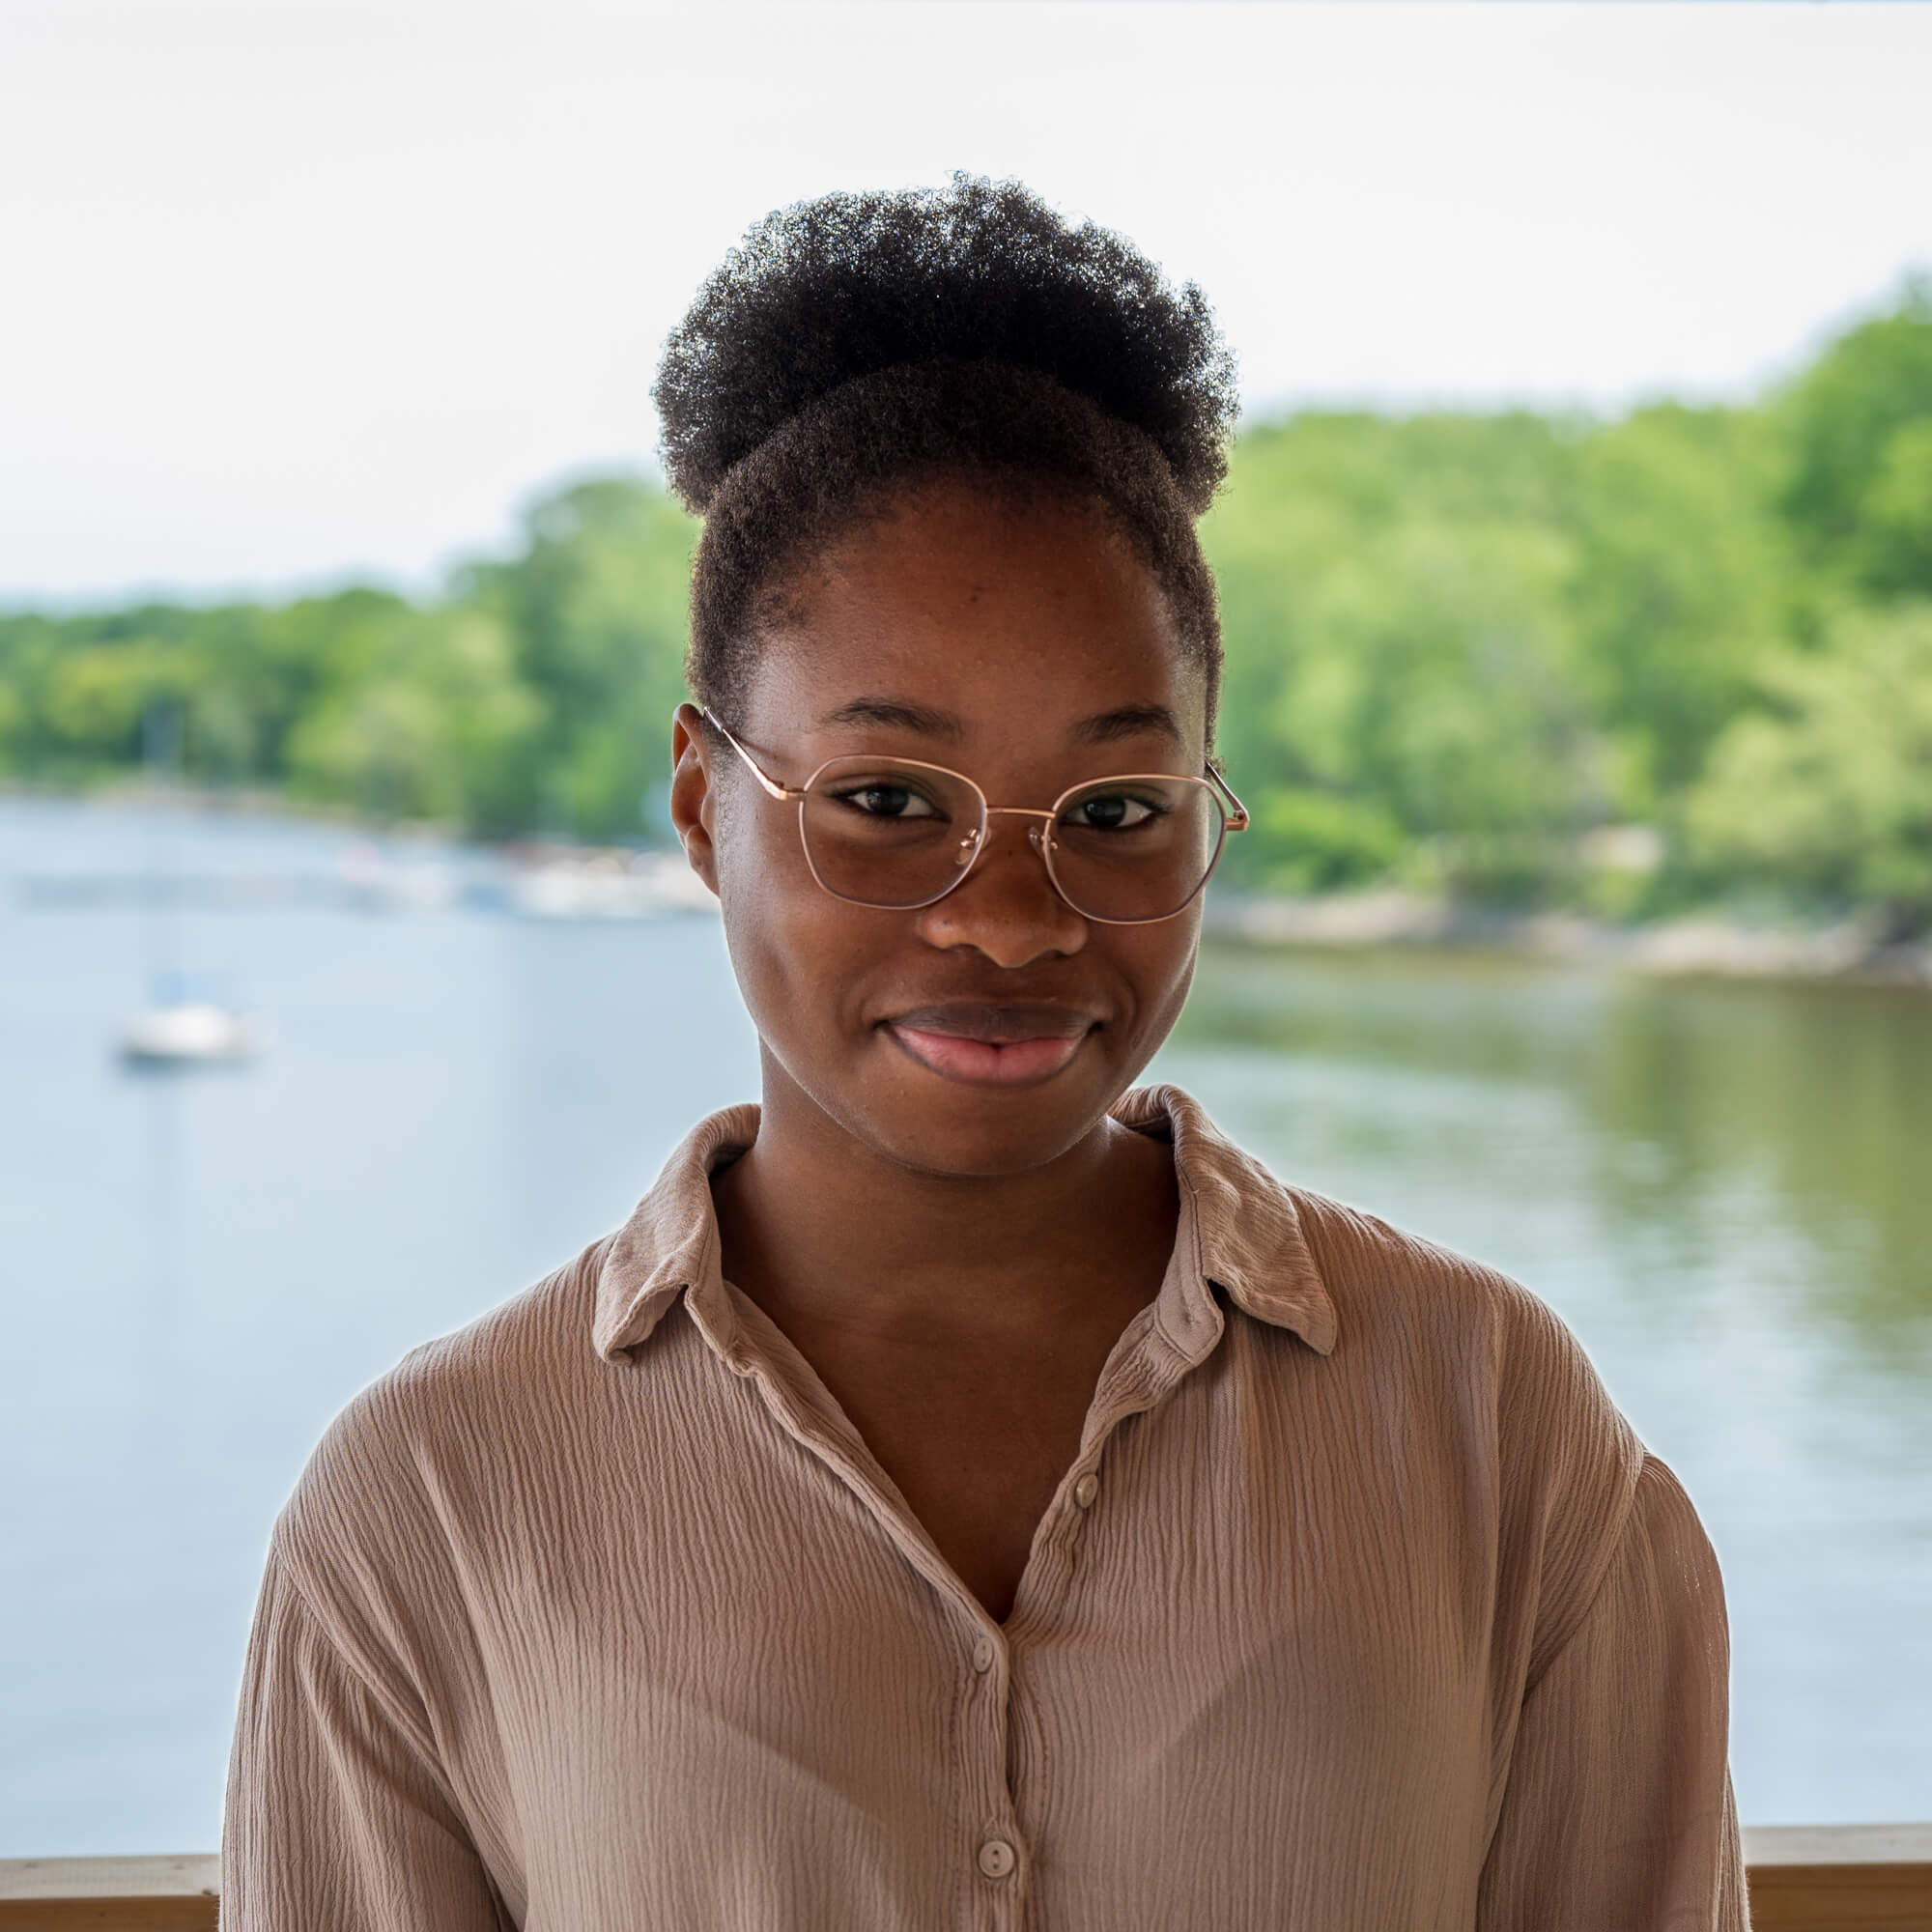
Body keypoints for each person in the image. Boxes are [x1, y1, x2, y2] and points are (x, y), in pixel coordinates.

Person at [221, 177, 1748, 1930]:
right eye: (883, 800)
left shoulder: (1498, 1429)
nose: (1013, 917)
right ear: (706, 801)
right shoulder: (429, 1507)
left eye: (1112, 808)